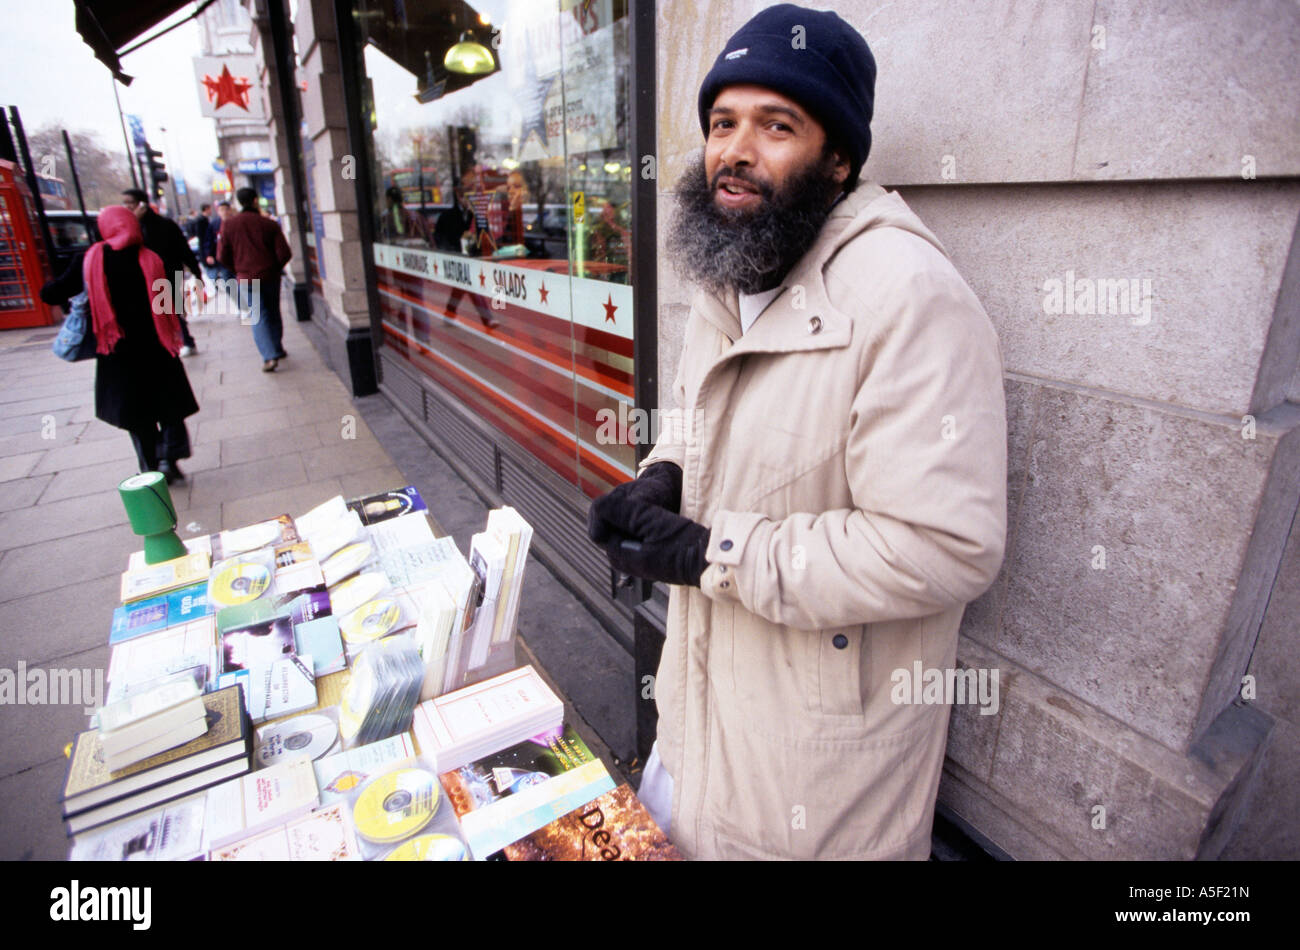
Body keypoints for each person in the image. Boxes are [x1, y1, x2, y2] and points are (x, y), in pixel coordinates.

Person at [587, 3, 1007, 860]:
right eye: (722, 123)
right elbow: (707, 432)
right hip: (695, 723)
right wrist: (664, 475)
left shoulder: (910, 298)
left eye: (777, 126)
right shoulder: (725, 272)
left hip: (812, 786)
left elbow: (947, 545)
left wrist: (715, 555)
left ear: (840, 159)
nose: (736, 150)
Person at [70, 205, 199, 483]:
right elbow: (167, 303)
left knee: (138, 415)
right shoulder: (151, 258)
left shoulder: (91, 259)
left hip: (119, 352)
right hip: (157, 349)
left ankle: (151, 467)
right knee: (169, 407)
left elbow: (52, 291)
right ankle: (170, 458)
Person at [217, 186, 292, 371]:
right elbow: (285, 253)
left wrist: (237, 270)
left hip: (247, 279)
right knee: (273, 312)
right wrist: (274, 268)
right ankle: (276, 347)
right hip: (269, 276)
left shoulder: (229, 225)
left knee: (258, 316)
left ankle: (268, 356)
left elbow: (222, 255)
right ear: (255, 200)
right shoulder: (269, 224)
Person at [121, 188, 201, 357]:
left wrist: (195, 270)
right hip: (147, 276)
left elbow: (183, 249)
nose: (127, 207)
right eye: (125, 203)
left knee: (174, 309)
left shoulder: (163, 224)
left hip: (170, 272)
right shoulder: (130, 225)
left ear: (142, 204)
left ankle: (186, 341)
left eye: (131, 203)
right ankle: (175, 341)